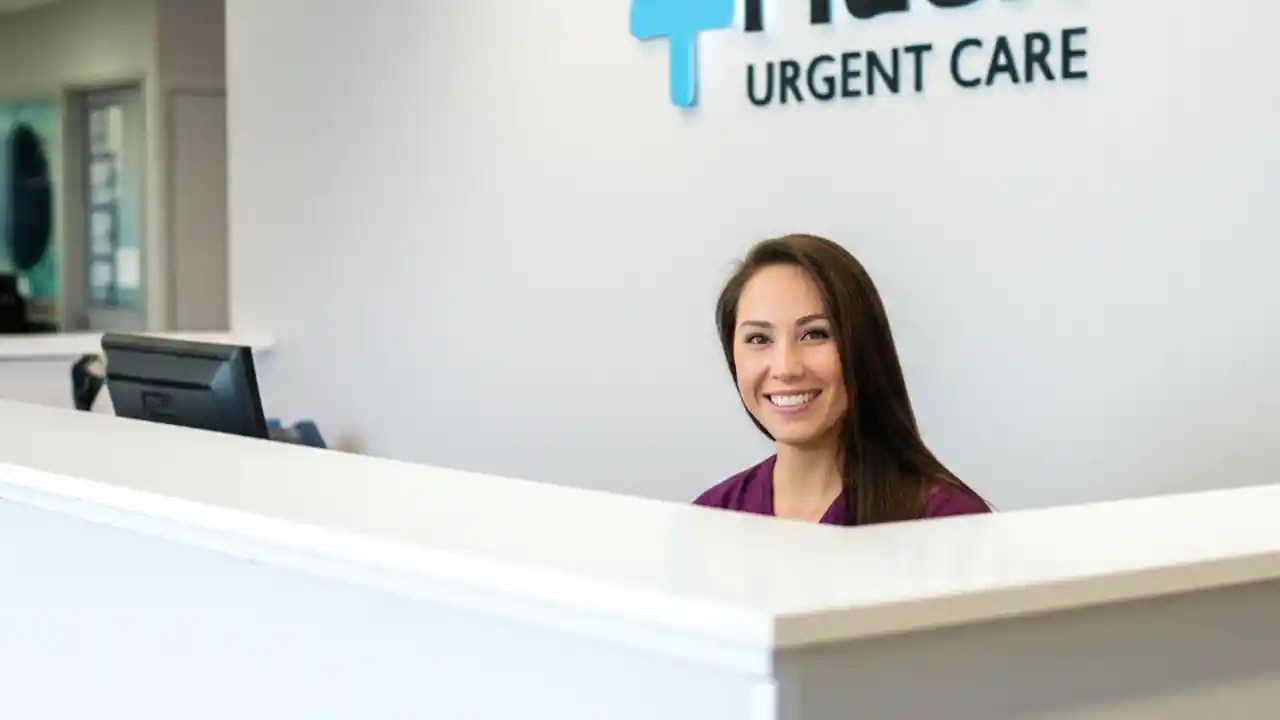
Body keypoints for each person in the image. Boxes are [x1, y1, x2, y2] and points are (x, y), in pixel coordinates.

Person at [696, 234, 990, 525]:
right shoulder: (709, 518)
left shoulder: (949, 522)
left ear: (862, 345)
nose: (785, 368)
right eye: (758, 338)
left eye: (815, 334)